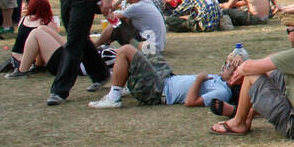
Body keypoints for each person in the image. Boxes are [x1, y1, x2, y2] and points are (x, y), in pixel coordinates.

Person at [210, 11, 294, 138]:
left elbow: (247, 68)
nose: (288, 35)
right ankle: (247, 118)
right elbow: (274, 60)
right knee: (275, 72)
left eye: (288, 31)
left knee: (251, 75)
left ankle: (238, 122)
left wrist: (241, 69)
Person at [90, 44, 245, 109]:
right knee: (147, 46)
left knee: (126, 50)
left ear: (234, 78)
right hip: (166, 78)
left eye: (228, 67)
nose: (224, 66)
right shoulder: (220, 80)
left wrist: (199, 79)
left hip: (158, 90)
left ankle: (114, 97)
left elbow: (191, 102)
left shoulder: (223, 92)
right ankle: (123, 82)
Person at [93, 0, 168, 52]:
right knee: (122, 22)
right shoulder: (146, 3)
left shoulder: (136, 7)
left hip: (148, 47)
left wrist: (102, 7)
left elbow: (112, 17)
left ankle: (94, 46)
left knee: (116, 23)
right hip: (156, 46)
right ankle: (103, 45)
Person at [0, 0, 64, 77]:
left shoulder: (23, 19)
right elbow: (54, 44)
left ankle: (28, 68)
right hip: (32, 60)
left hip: (16, 57)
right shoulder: (47, 22)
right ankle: (34, 68)